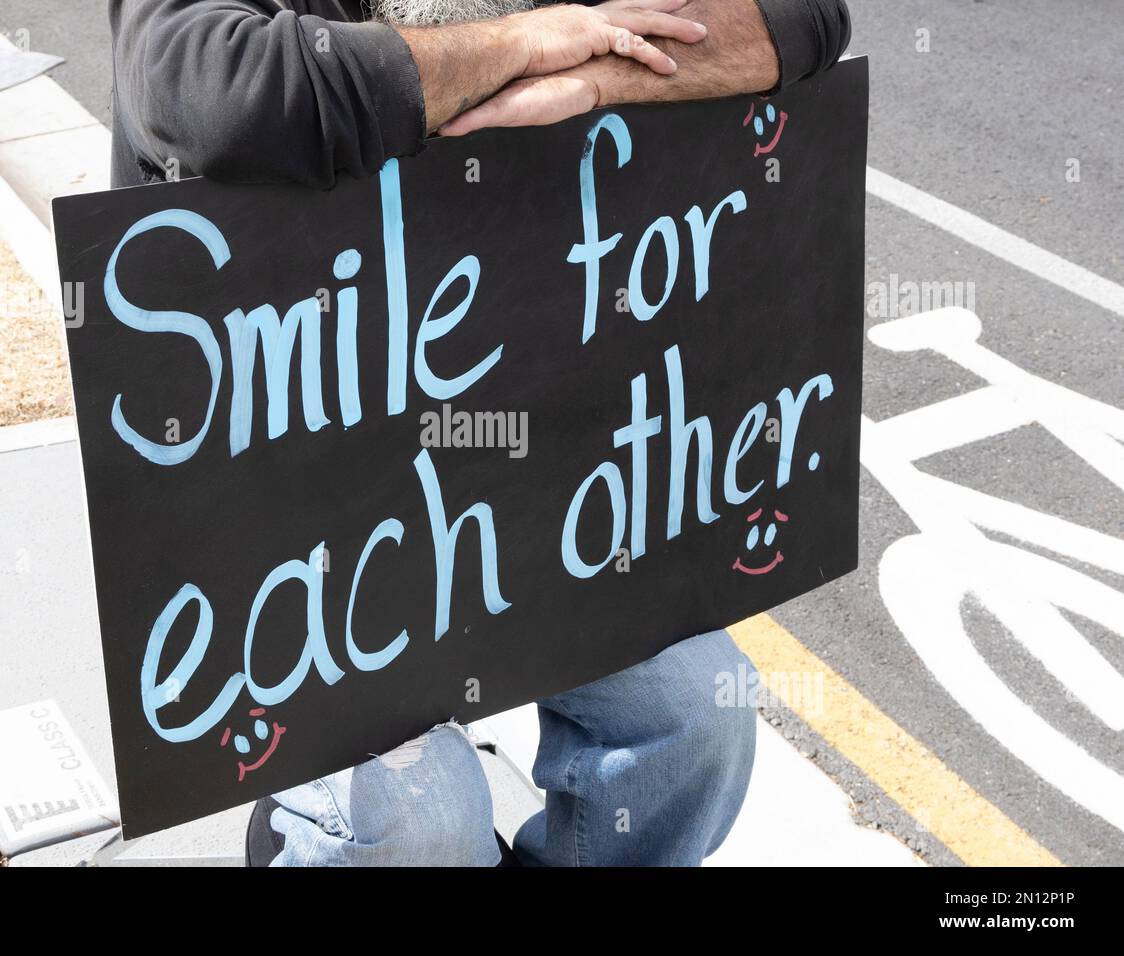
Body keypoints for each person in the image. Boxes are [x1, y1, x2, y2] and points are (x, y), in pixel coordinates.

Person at [109, 0, 851, 866]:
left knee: (698, 717)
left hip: (516, 463)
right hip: (291, 503)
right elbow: (218, 91)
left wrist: (594, 77)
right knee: (422, 819)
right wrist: (522, 42)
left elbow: (803, 20)